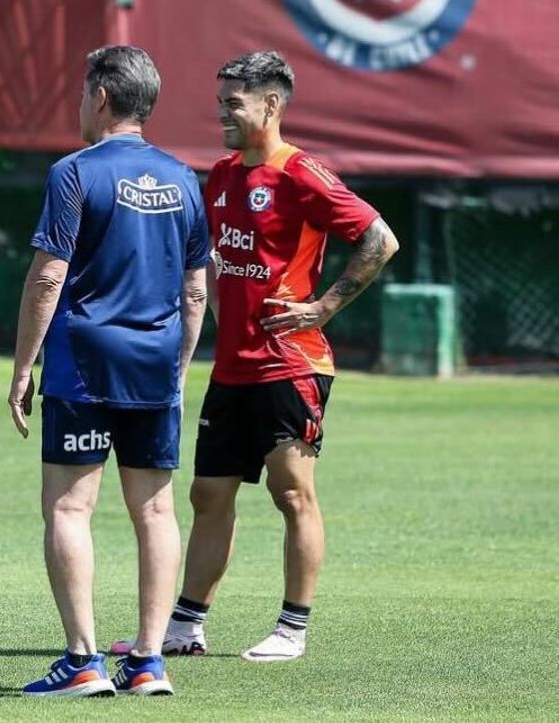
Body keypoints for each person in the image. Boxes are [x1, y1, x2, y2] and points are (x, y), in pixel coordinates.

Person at [113, 50, 399, 662]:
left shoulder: (301, 174)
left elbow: (380, 238)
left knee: (292, 492)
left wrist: (322, 308)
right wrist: (219, 315)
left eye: (232, 102)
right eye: (220, 100)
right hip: (233, 367)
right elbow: (216, 263)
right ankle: (185, 625)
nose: (222, 112)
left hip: (291, 364)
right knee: (208, 496)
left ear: (271, 104)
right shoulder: (219, 176)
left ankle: (292, 629)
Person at [9, 45, 210, 697]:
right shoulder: (184, 178)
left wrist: (21, 367)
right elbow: (196, 290)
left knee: (70, 506)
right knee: (154, 511)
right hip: (154, 365)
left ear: (101, 96)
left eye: (80, 92)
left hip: (85, 364)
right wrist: (176, 365)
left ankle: (82, 661)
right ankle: (149, 662)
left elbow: (48, 276)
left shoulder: (75, 173)